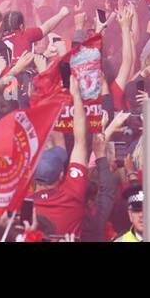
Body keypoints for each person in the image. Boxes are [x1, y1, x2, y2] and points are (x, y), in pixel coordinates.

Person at [28, 79, 88, 238]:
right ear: (62, 175)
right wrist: (76, 96)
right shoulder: (73, 192)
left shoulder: (25, 205)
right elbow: (80, 142)